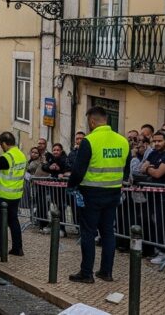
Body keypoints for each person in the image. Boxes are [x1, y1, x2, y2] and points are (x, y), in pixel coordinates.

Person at [67, 107, 129, 283]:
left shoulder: (89, 141)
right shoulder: (123, 141)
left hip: (91, 193)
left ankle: (86, 273)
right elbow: (127, 170)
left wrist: (71, 186)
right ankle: (106, 272)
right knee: (108, 233)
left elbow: (79, 170)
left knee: (88, 233)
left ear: (92, 122)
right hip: (113, 193)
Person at [141, 130, 165, 265]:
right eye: (155, 141)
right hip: (153, 195)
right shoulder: (153, 153)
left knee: (164, 224)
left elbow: (157, 173)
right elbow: (142, 167)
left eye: (160, 141)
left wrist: (149, 168)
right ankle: (158, 249)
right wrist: (149, 168)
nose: (156, 143)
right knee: (155, 222)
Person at [0, 132, 27, 257]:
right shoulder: (21, 155)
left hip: (4, 195)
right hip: (16, 195)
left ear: (4, 143)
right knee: (13, 221)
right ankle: (17, 248)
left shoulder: (8, 157)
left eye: (1, 144)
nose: (1, 147)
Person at [42, 143, 70, 236]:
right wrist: (49, 167)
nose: (55, 151)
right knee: (55, 208)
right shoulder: (51, 158)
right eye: (54, 150)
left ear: (61, 151)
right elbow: (44, 166)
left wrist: (59, 170)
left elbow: (68, 169)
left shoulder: (65, 158)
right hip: (54, 188)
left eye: (58, 150)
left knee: (61, 208)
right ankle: (55, 227)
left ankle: (62, 229)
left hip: (63, 189)